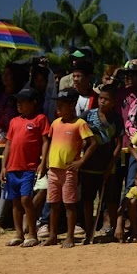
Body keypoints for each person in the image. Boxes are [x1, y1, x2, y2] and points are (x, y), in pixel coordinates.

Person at [42, 88, 96, 248]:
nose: (58, 107)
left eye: (62, 104)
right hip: (53, 169)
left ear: (72, 105)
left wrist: (80, 162)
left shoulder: (80, 124)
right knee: (53, 203)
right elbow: (50, 142)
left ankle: (70, 236)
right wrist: (45, 161)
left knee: (69, 204)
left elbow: (93, 144)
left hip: (68, 170)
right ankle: (53, 235)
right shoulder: (55, 123)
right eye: (57, 104)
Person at [1, 87, 49, 248]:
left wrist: (42, 163)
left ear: (33, 103)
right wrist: (3, 166)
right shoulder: (14, 121)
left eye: (23, 102)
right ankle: (18, 234)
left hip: (29, 167)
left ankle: (32, 234)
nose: (19, 105)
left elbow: (45, 142)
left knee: (26, 199)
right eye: (17, 102)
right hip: (12, 168)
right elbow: (8, 144)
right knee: (15, 202)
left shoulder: (40, 119)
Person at [82, 81, 123, 244]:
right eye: (100, 98)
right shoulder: (87, 116)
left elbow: (119, 144)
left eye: (106, 99)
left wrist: (111, 164)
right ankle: (88, 231)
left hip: (108, 166)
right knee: (87, 200)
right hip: (89, 166)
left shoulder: (117, 119)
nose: (102, 102)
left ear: (113, 102)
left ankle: (114, 229)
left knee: (111, 201)